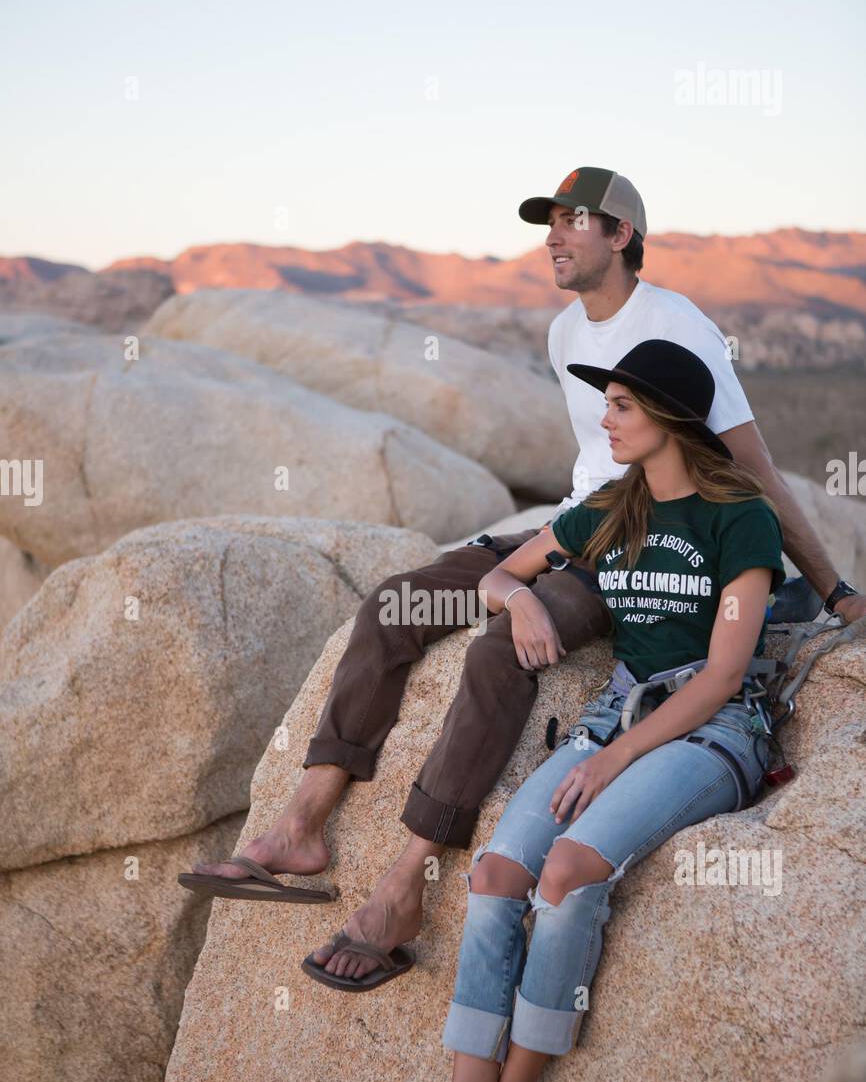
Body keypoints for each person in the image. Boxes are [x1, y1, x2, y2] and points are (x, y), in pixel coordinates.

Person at [183, 166, 863, 990]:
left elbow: (751, 468)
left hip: (633, 547)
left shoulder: (679, 328)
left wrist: (833, 589)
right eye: (552, 220)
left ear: (622, 236)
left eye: (577, 220)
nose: (555, 236)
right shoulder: (565, 332)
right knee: (397, 603)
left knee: (498, 654)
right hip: (569, 525)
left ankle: (403, 887)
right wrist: (513, 583)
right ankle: (301, 827)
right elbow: (586, 479)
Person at [368, 338, 788, 1082]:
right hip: (613, 716)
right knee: (494, 879)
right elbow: (495, 573)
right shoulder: (611, 507)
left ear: (670, 416)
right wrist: (520, 601)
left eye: (624, 404)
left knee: (565, 875)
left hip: (708, 729)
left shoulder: (738, 518)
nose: (607, 417)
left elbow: (722, 675)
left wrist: (613, 758)